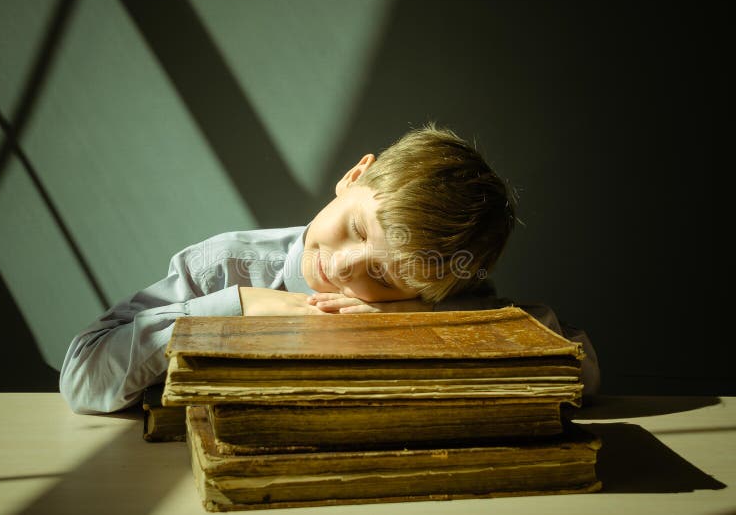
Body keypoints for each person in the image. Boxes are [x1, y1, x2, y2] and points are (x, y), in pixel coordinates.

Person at [59, 124, 599, 414]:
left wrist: (418, 329)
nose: (341, 266)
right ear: (353, 177)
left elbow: (582, 371)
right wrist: (237, 308)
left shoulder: (437, 299)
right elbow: (81, 377)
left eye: (385, 278)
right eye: (359, 229)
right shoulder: (228, 266)